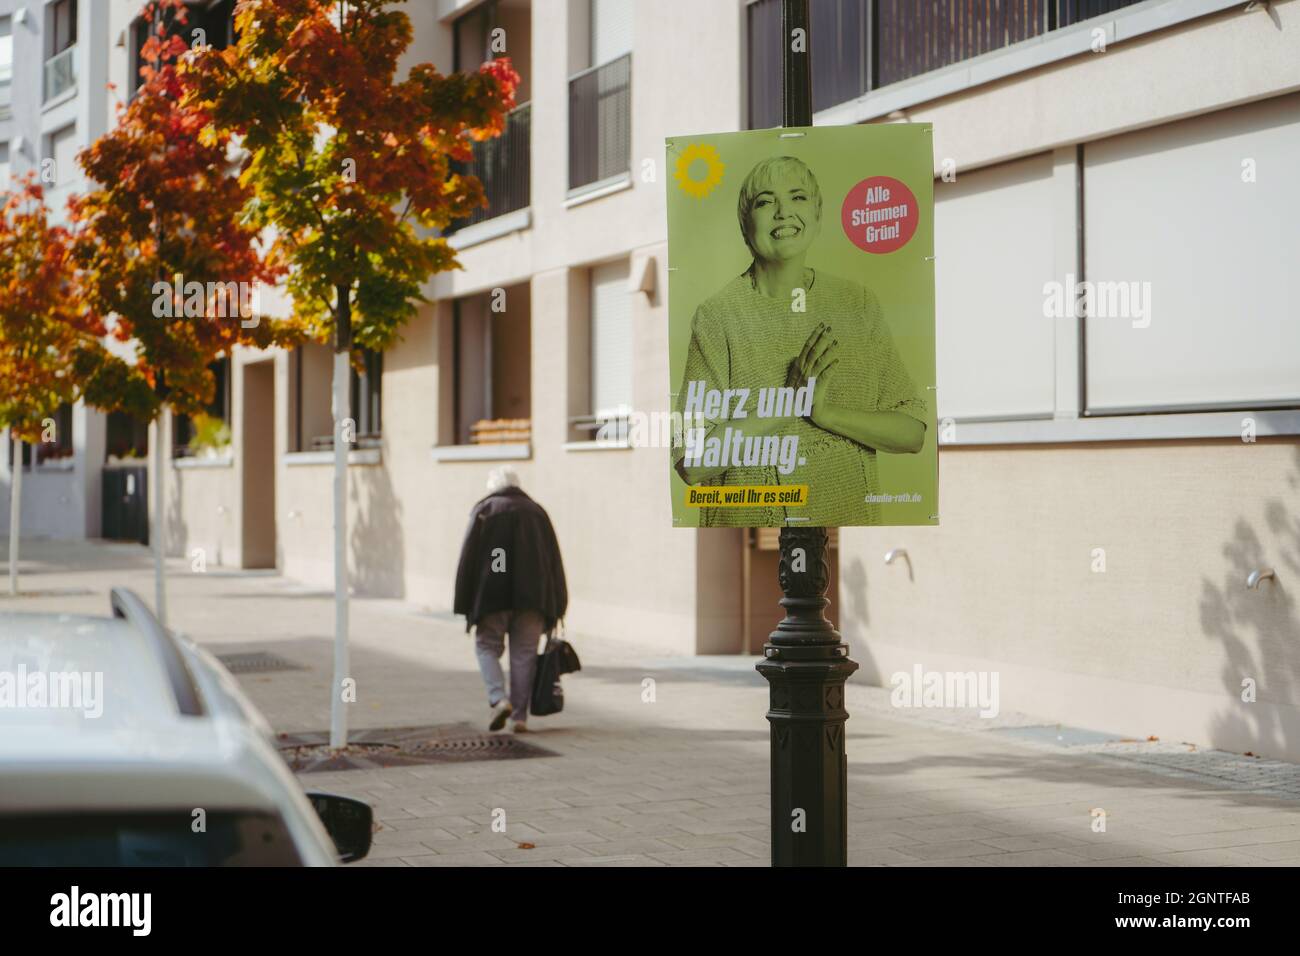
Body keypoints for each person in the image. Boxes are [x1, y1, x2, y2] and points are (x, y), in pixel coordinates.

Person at [673, 155, 927, 527]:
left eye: (797, 197)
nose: (782, 212)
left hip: (848, 520)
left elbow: (912, 433)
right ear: (745, 226)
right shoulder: (718, 316)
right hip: (753, 526)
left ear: (819, 216)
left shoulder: (856, 303)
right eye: (764, 201)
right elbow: (692, 462)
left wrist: (826, 414)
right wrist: (789, 404)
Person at [454, 467, 568, 733]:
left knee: (486, 647)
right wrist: (559, 603)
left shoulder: (485, 511)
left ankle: (498, 698)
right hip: (533, 598)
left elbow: (468, 559)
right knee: (524, 655)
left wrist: (465, 601)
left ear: (493, 487)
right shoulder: (537, 513)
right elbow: (553, 560)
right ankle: (519, 717)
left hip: (492, 597)